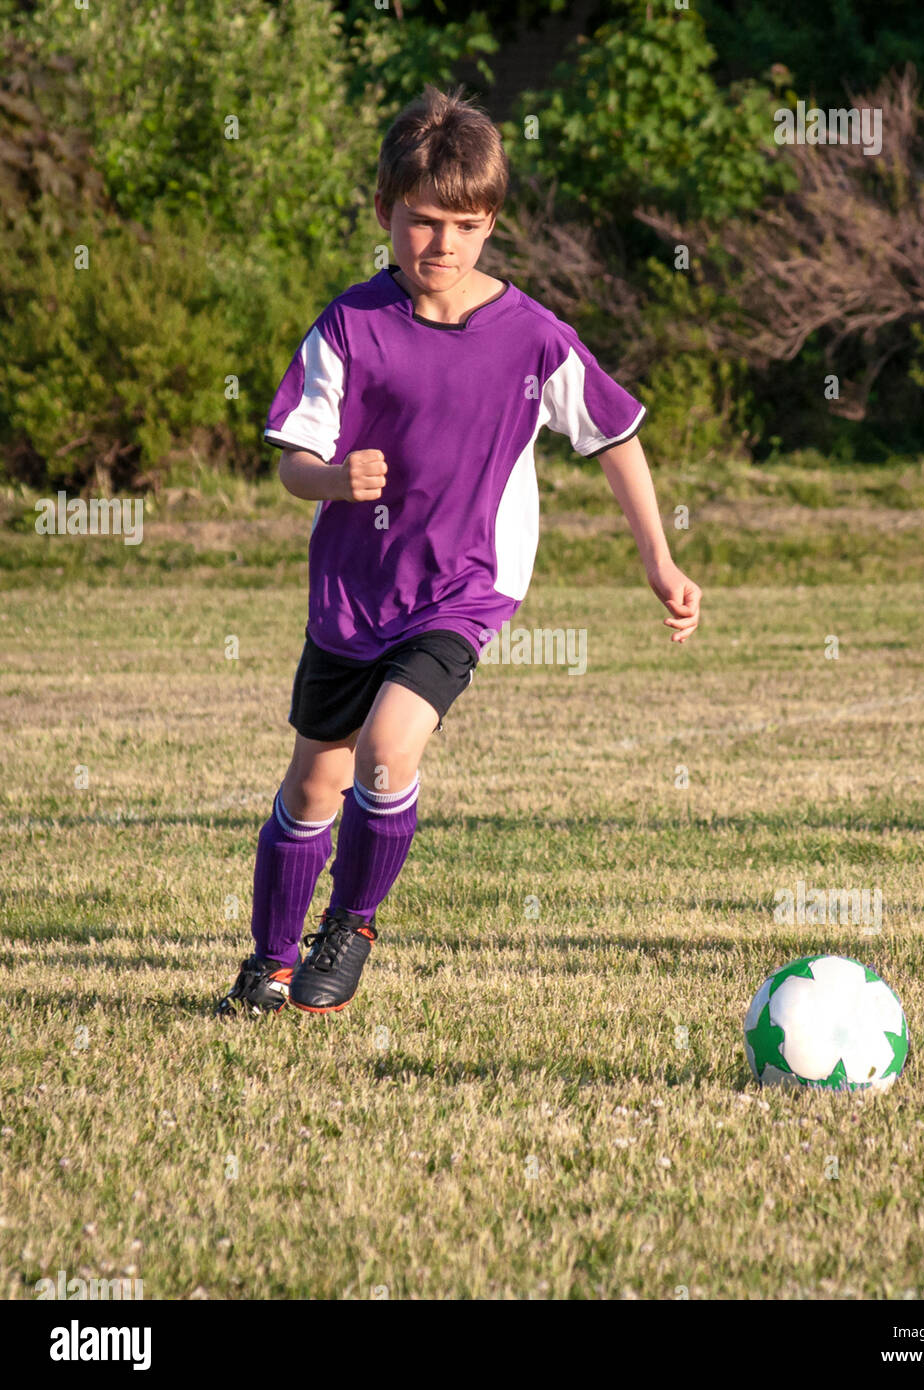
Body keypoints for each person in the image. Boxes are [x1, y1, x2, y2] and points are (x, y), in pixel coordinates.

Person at [215, 83, 701, 1018]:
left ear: (492, 225)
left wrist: (659, 560)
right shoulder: (350, 326)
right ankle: (270, 961)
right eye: (421, 222)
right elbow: (292, 463)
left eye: (465, 225)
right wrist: (332, 481)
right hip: (354, 594)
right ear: (384, 213)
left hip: (465, 589)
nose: (441, 245)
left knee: (389, 752)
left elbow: (616, 436)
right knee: (316, 779)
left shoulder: (533, 336)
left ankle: (348, 926)